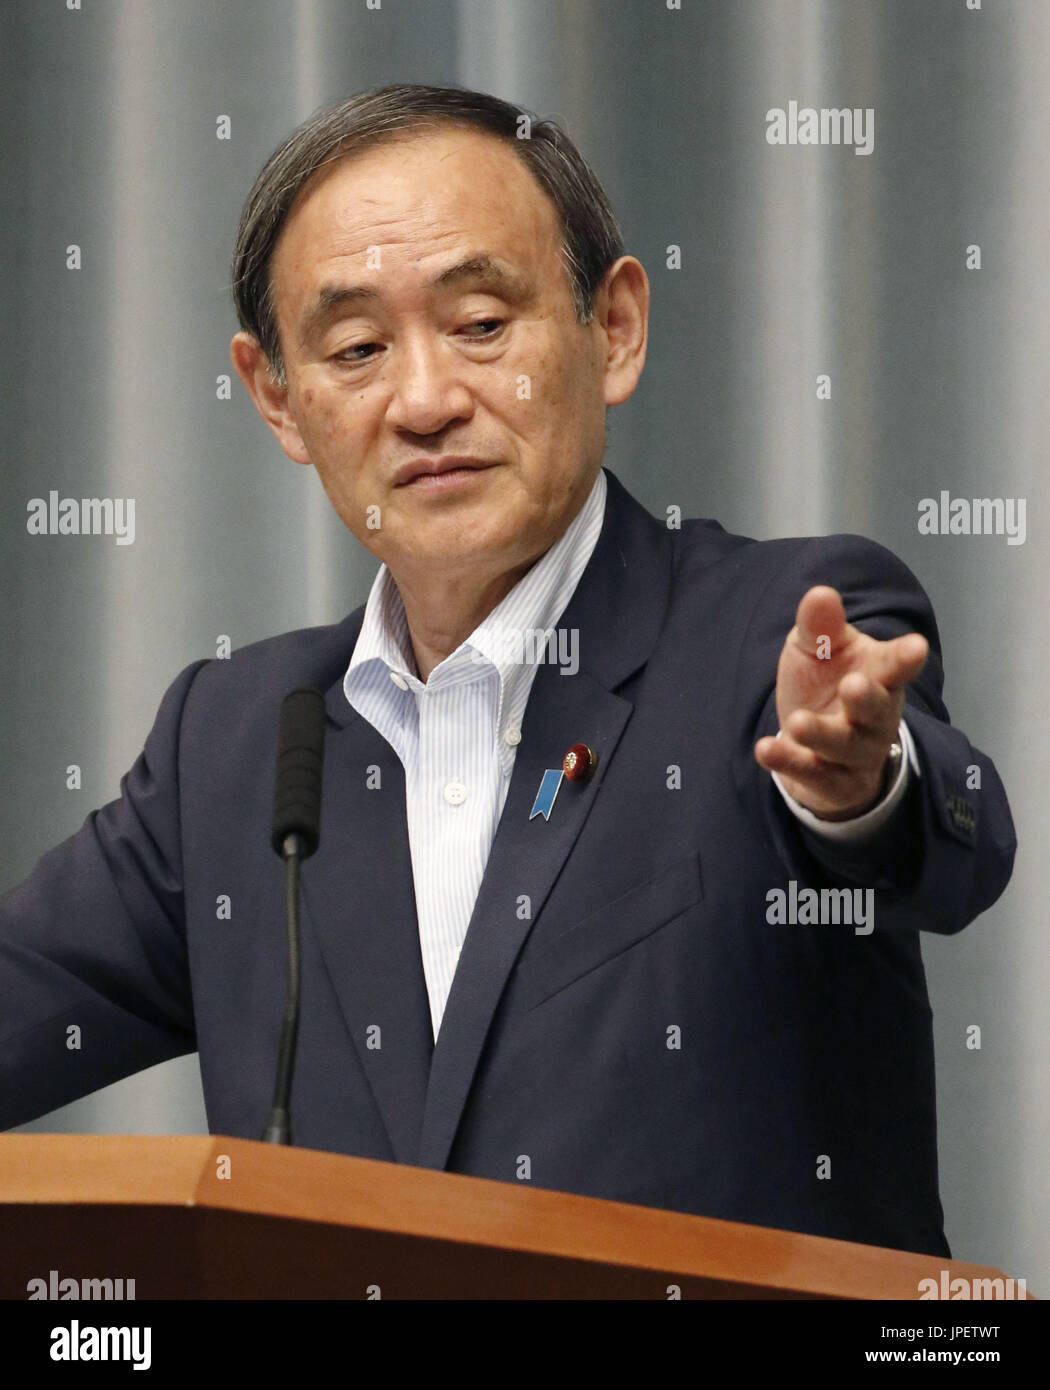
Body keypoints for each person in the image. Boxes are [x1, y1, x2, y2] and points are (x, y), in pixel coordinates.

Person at [0, 84, 1014, 1258]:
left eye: (482, 324)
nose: (426, 400)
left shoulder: (772, 637)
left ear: (614, 328)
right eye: (358, 348)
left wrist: (858, 782)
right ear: (278, 395)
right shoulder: (236, 743)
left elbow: (958, 845)